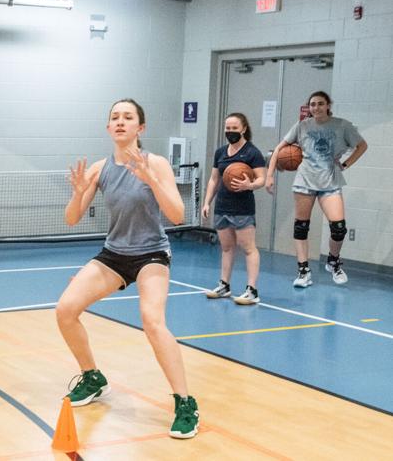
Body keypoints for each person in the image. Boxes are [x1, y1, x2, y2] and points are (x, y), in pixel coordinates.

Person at [56, 99, 199, 439]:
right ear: (109, 128)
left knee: (152, 321)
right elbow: (72, 218)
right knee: (65, 310)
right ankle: (92, 377)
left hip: (151, 253)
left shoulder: (157, 163)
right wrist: (78, 195)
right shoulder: (99, 168)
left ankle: (185, 402)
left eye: (128, 117)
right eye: (115, 117)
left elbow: (178, 216)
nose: (120, 122)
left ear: (141, 128)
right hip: (115, 254)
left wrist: (152, 179)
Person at [266, 91, 368, 287]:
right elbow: (279, 149)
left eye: (320, 104)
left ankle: (333, 261)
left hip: (330, 181)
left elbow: (362, 146)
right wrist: (270, 175)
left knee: (339, 229)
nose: (316, 108)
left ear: (328, 105)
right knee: (301, 227)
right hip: (304, 181)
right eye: (312, 104)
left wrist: (346, 165)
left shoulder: (342, 125)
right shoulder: (302, 126)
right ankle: (304, 271)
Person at [201, 113, 266, 305]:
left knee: (248, 248)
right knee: (227, 247)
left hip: (243, 207)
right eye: (227, 128)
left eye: (234, 128)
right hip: (222, 206)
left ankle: (252, 290)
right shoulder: (220, 152)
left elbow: (261, 179)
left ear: (244, 129)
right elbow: (214, 179)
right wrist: (207, 202)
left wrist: (250, 185)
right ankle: (224, 286)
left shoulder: (252, 152)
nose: (230, 132)